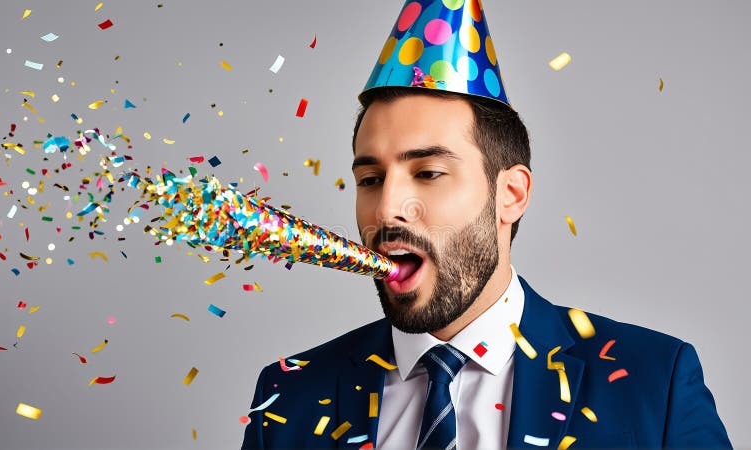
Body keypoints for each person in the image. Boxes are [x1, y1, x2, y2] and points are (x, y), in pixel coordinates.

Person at [242, 1, 731, 448]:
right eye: (370, 179)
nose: (387, 209)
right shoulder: (288, 396)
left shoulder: (655, 383)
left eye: (428, 173)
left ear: (510, 194)